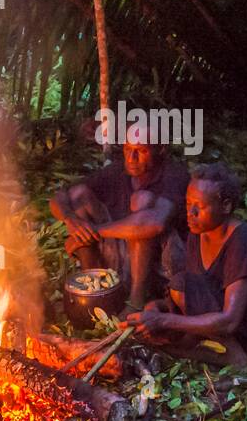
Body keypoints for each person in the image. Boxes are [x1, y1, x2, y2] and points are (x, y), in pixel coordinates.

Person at [125, 163, 247, 367]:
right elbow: (197, 292)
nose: (190, 213)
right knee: (180, 284)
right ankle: (206, 350)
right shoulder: (198, 232)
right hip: (244, 314)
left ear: (226, 206)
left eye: (199, 207)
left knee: (180, 308)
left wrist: (164, 320)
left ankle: (236, 358)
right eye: (188, 203)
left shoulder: (242, 242)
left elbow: (229, 320)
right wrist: (158, 308)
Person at [49, 121, 189, 312]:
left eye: (142, 151)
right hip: (123, 259)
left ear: (161, 150)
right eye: (128, 149)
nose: (132, 157)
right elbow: (60, 196)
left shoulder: (175, 175)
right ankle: (96, 287)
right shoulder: (118, 171)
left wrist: (93, 231)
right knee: (79, 195)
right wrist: (71, 221)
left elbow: (155, 224)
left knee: (141, 202)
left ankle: (136, 300)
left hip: (164, 268)